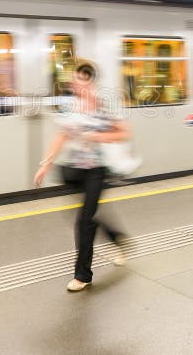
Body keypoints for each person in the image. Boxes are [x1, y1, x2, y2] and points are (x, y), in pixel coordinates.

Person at [34, 60, 130, 292]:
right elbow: (61, 136)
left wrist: (98, 137)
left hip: (97, 171)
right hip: (75, 171)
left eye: (82, 82)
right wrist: (45, 164)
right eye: (75, 82)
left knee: (84, 221)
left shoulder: (103, 106)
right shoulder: (71, 107)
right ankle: (119, 239)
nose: (77, 86)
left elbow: (124, 133)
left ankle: (83, 274)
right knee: (89, 217)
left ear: (91, 83)